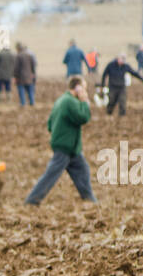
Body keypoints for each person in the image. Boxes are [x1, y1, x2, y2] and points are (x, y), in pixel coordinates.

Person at [25, 75, 95, 206]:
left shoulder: (61, 100)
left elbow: (50, 124)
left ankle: (90, 199)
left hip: (70, 147)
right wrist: (85, 102)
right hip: (65, 146)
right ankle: (32, 200)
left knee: (83, 170)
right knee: (50, 175)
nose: (85, 92)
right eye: (84, 89)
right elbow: (83, 117)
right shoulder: (70, 102)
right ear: (78, 88)